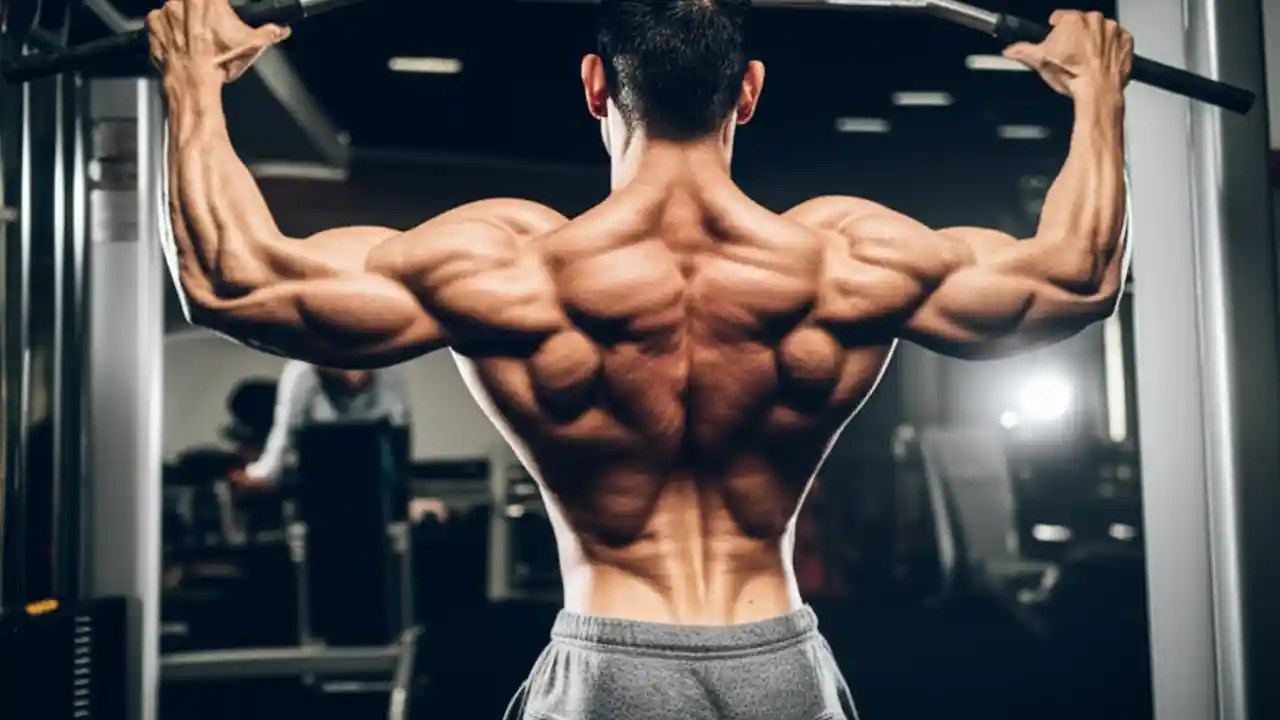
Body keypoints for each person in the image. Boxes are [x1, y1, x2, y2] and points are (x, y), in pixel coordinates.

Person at [146, 1, 1132, 717]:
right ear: (747, 92)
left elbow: (233, 282)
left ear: (591, 87)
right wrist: (1096, 97)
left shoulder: (513, 265)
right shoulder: (844, 259)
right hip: (776, 665)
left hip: (607, 671)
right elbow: (1077, 278)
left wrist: (193, 85)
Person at [233, 361, 412, 490]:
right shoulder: (299, 373)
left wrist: (404, 500)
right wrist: (259, 474)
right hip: (321, 482)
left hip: (374, 480)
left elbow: (400, 444)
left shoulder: (390, 372)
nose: (352, 374)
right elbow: (282, 436)